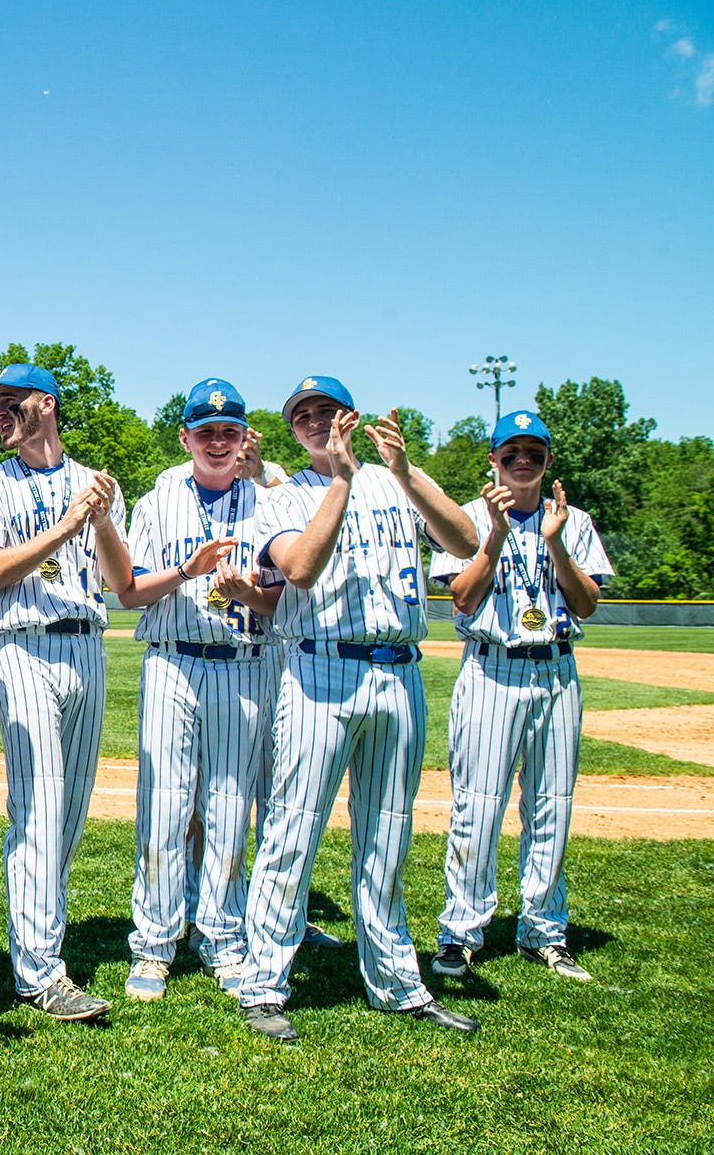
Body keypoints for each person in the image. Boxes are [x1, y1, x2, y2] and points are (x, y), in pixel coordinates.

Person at [233, 376, 480, 1042]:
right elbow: (302, 569)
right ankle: (262, 985)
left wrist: (403, 471)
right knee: (292, 830)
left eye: (325, 411)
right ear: (293, 430)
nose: (314, 421)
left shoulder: (398, 478)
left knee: (388, 835)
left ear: (350, 416)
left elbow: (463, 543)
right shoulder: (281, 497)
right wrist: (341, 481)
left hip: (398, 669)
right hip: (321, 666)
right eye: (301, 415)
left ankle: (398, 983)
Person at [0, 362, 125, 1021]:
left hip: (87, 640)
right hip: (24, 643)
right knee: (40, 806)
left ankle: (39, 944)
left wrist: (103, 520)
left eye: (11, 401)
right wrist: (64, 524)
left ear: (47, 404)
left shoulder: (94, 483)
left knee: (70, 814)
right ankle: (39, 972)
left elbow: (121, 578)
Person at [105, 379, 282, 1002]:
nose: (216, 441)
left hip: (243, 662)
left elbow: (282, 600)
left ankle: (223, 938)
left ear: (244, 439)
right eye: (204, 432)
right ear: (185, 437)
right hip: (173, 660)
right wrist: (190, 570)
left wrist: (245, 594)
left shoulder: (267, 505)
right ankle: (153, 945)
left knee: (230, 803)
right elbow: (127, 590)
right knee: (166, 802)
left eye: (228, 431)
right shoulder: (157, 500)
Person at [429, 411, 612, 983]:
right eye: (511, 452)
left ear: (548, 460)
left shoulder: (574, 521)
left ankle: (544, 931)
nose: (522, 460)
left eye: (533, 451)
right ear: (494, 460)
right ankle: (460, 933)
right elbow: (460, 598)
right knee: (477, 806)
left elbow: (585, 605)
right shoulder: (465, 517)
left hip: (556, 670)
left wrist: (555, 546)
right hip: (491, 670)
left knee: (551, 805)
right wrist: (496, 536)